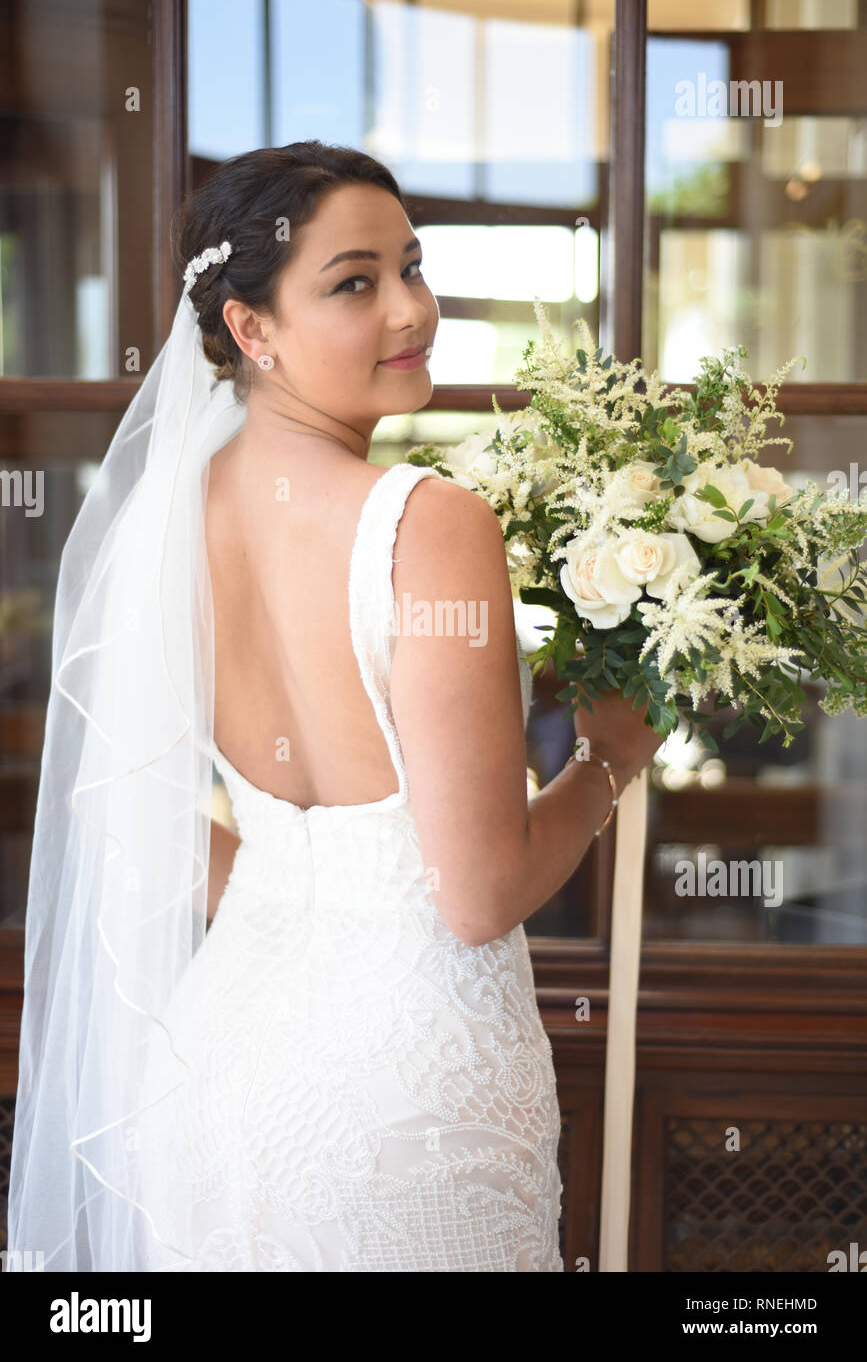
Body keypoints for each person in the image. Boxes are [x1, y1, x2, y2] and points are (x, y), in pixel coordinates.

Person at [8, 141, 662, 1273]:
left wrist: (288, 865)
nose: (410, 309)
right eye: (354, 282)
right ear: (251, 327)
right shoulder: (432, 520)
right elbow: (477, 893)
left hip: (215, 1072)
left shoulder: (163, 528)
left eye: (412, 266)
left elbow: (134, 821)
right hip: (406, 1094)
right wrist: (609, 757)